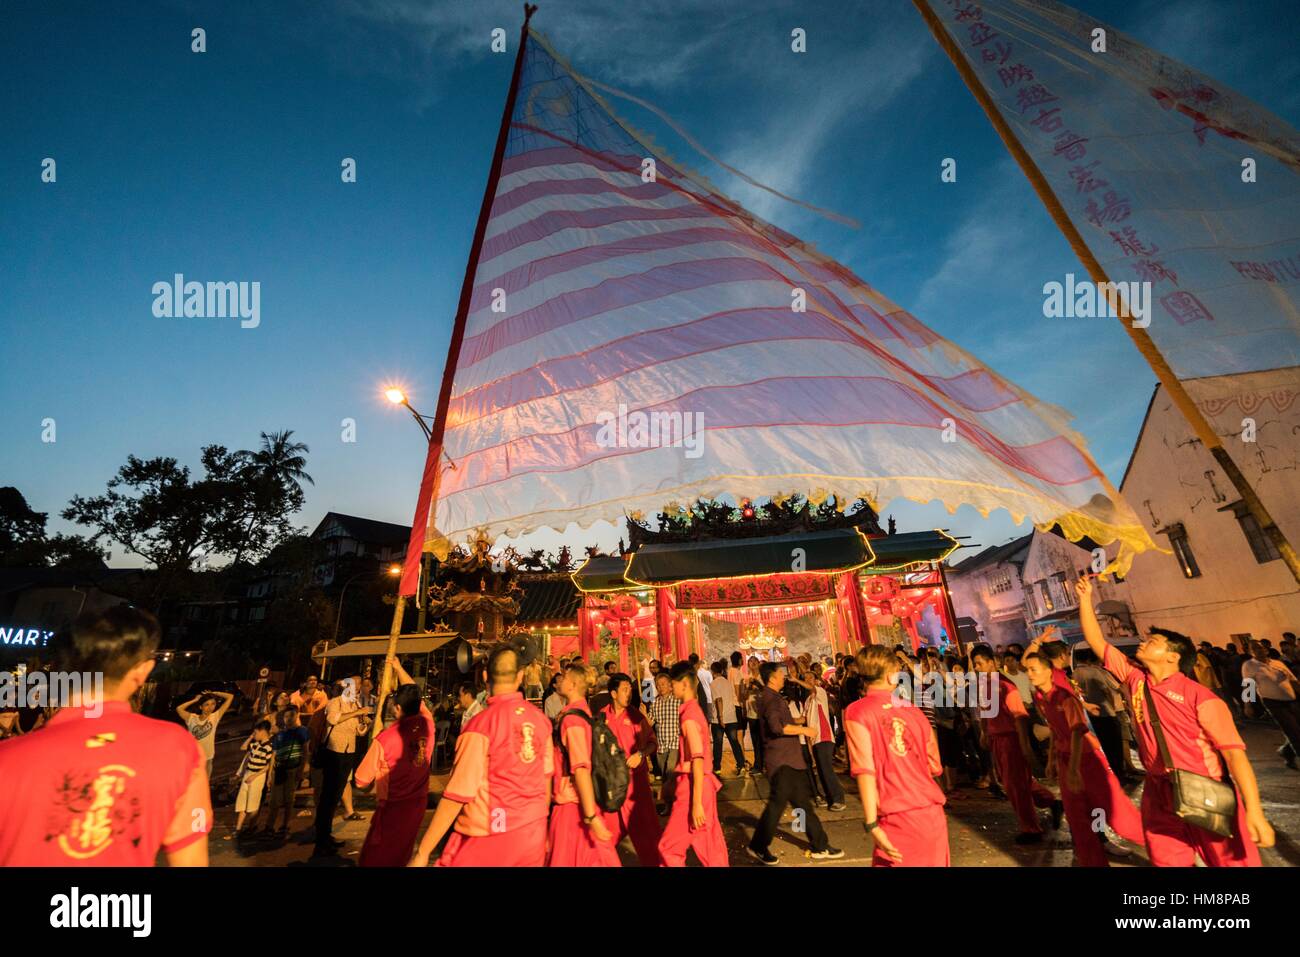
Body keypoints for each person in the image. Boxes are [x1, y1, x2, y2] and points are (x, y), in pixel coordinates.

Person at [1076, 578, 1276, 866]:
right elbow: (1097, 641)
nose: (1143, 643)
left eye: (1152, 642)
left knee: (1231, 863)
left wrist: (1254, 811)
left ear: (1173, 657)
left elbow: (1234, 756)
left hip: (1205, 790)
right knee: (1167, 860)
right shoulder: (1135, 679)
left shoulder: (1201, 698)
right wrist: (1085, 598)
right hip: (1158, 790)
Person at [0, 606, 211, 866]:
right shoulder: (179, 749)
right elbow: (190, 860)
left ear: (61, 671)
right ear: (143, 671)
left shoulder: (8, 758)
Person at [1023, 649, 1142, 867]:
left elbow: (1078, 731)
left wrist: (1074, 768)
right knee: (1077, 818)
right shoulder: (1041, 697)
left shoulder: (1065, 697)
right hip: (1067, 758)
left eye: (1033, 669)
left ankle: (1165, 845)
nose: (1029, 674)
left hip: (1087, 759)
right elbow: (1055, 730)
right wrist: (1052, 760)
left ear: (1049, 671)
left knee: (1117, 813)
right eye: (1027, 670)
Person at [844, 645, 948, 866]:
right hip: (931, 812)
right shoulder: (912, 709)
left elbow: (865, 769)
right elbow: (934, 764)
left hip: (897, 816)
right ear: (892, 674)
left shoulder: (857, 712)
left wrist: (871, 823)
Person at [747, 662, 843, 864]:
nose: (784, 677)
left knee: (803, 806)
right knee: (776, 805)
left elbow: (786, 722)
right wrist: (804, 730)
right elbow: (777, 727)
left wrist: (801, 720)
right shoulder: (771, 699)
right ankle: (758, 845)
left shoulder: (774, 697)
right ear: (772, 677)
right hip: (782, 761)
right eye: (781, 674)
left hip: (790, 760)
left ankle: (820, 845)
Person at [970, 646, 1059, 844]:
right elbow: (986, 711)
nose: (977, 668)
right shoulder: (984, 685)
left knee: (1015, 785)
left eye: (980, 663)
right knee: (1016, 781)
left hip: (1010, 739)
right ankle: (1050, 801)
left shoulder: (1006, 687)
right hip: (996, 739)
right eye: (975, 664)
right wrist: (985, 732)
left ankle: (1031, 829)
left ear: (992, 662)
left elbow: (1019, 718)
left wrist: (1024, 745)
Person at [352, 659, 436, 866]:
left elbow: (361, 781)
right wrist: (398, 668)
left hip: (392, 808)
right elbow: (415, 695)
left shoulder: (385, 739)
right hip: (418, 803)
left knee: (376, 859)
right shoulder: (428, 724)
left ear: (397, 707)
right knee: (401, 854)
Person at [547, 663, 620, 866]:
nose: (560, 679)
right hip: (579, 802)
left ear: (572, 684)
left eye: (564, 677)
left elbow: (581, 768)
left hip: (574, 807)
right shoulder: (582, 714)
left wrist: (590, 816)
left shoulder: (572, 720)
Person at [657, 662, 729, 867]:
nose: (671, 688)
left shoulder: (689, 716)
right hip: (700, 784)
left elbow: (697, 759)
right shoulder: (694, 711)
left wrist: (696, 803)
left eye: (673, 683)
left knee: (669, 848)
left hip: (693, 787)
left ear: (685, 685)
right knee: (710, 846)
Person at [601, 673, 662, 865]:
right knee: (604, 836)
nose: (629, 693)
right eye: (624, 689)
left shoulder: (636, 716)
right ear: (613, 693)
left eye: (630, 689)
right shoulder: (602, 717)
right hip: (612, 786)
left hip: (636, 786)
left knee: (649, 837)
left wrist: (641, 754)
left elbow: (653, 743)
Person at [313, 675, 371, 855]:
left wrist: (364, 724)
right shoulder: (335, 702)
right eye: (356, 684)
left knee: (336, 794)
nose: (359, 687)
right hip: (334, 751)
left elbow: (359, 731)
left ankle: (326, 834)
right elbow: (332, 719)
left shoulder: (356, 705)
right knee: (328, 795)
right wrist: (357, 713)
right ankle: (322, 837)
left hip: (348, 751)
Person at [1242, 639, 1299, 770]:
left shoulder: (1277, 663)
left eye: (1260, 647)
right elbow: (1249, 687)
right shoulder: (1249, 666)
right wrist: (1248, 705)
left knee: (1296, 729)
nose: (1259, 650)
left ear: (1266, 649)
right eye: (1254, 648)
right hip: (1273, 702)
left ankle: (1286, 751)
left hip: (1291, 700)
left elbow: (1293, 681)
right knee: (1293, 731)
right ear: (1250, 652)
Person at [265, 705, 310, 837]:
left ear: (297, 716)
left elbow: (305, 751)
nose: (289, 719)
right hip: (278, 770)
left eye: (291, 715)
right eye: (286, 716)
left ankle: (285, 825)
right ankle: (269, 826)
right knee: (274, 801)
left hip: (293, 769)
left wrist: (302, 769)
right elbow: (274, 755)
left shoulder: (302, 731)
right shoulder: (280, 735)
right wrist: (269, 775)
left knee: (289, 799)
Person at [803, 674, 845, 810]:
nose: (807, 681)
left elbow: (812, 688)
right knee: (821, 771)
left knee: (827, 770)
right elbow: (802, 719)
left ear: (816, 681)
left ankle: (839, 799)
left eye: (810, 678)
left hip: (824, 737)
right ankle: (831, 798)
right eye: (805, 678)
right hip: (815, 739)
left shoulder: (820, 692)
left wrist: (796, 679)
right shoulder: (808, 700)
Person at [177, 688, 234, 780]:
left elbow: (230, 697)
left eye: (213, 704)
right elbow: (179, 709)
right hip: (193, 758)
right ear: (201, 707)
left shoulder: (215, 716)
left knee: (205, 784)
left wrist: (214, 693)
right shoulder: (192, 718)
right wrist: (195, 700)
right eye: (206, 704)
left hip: (208, 757)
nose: (210, 707)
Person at [232, 720, 275, 838]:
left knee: (253, 803)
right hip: (248, 774)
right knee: (243, 802)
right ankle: (238, 828)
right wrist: (251, 737)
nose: (254, 734)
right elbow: (243, 747)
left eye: (256, 732)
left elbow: (267, 765)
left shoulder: (268, 747)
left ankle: (251, 827)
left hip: (257, 776)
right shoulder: (255, 744)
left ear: (263, 732)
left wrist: (254, 776)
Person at [647, 672, 679, 808]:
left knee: (670, 771)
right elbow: (649, 723)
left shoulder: (678, 701)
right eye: (658, 685)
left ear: (671, 686)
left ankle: (674, 802)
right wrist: (643, 714)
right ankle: (668, 804)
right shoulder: (655, 703)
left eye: (663, 684)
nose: (660, 687)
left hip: (675, 742)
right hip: (661, 744)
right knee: (665, 775)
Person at [710, 660, 746, 774]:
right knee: (734, 742)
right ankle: (741, 764)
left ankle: (717, 768)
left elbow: (719, 700)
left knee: (718, 743)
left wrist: (720, 718)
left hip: (719, 719)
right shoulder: (727, 682)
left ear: (712, 671)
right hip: (731, 717)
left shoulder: (714, 683)